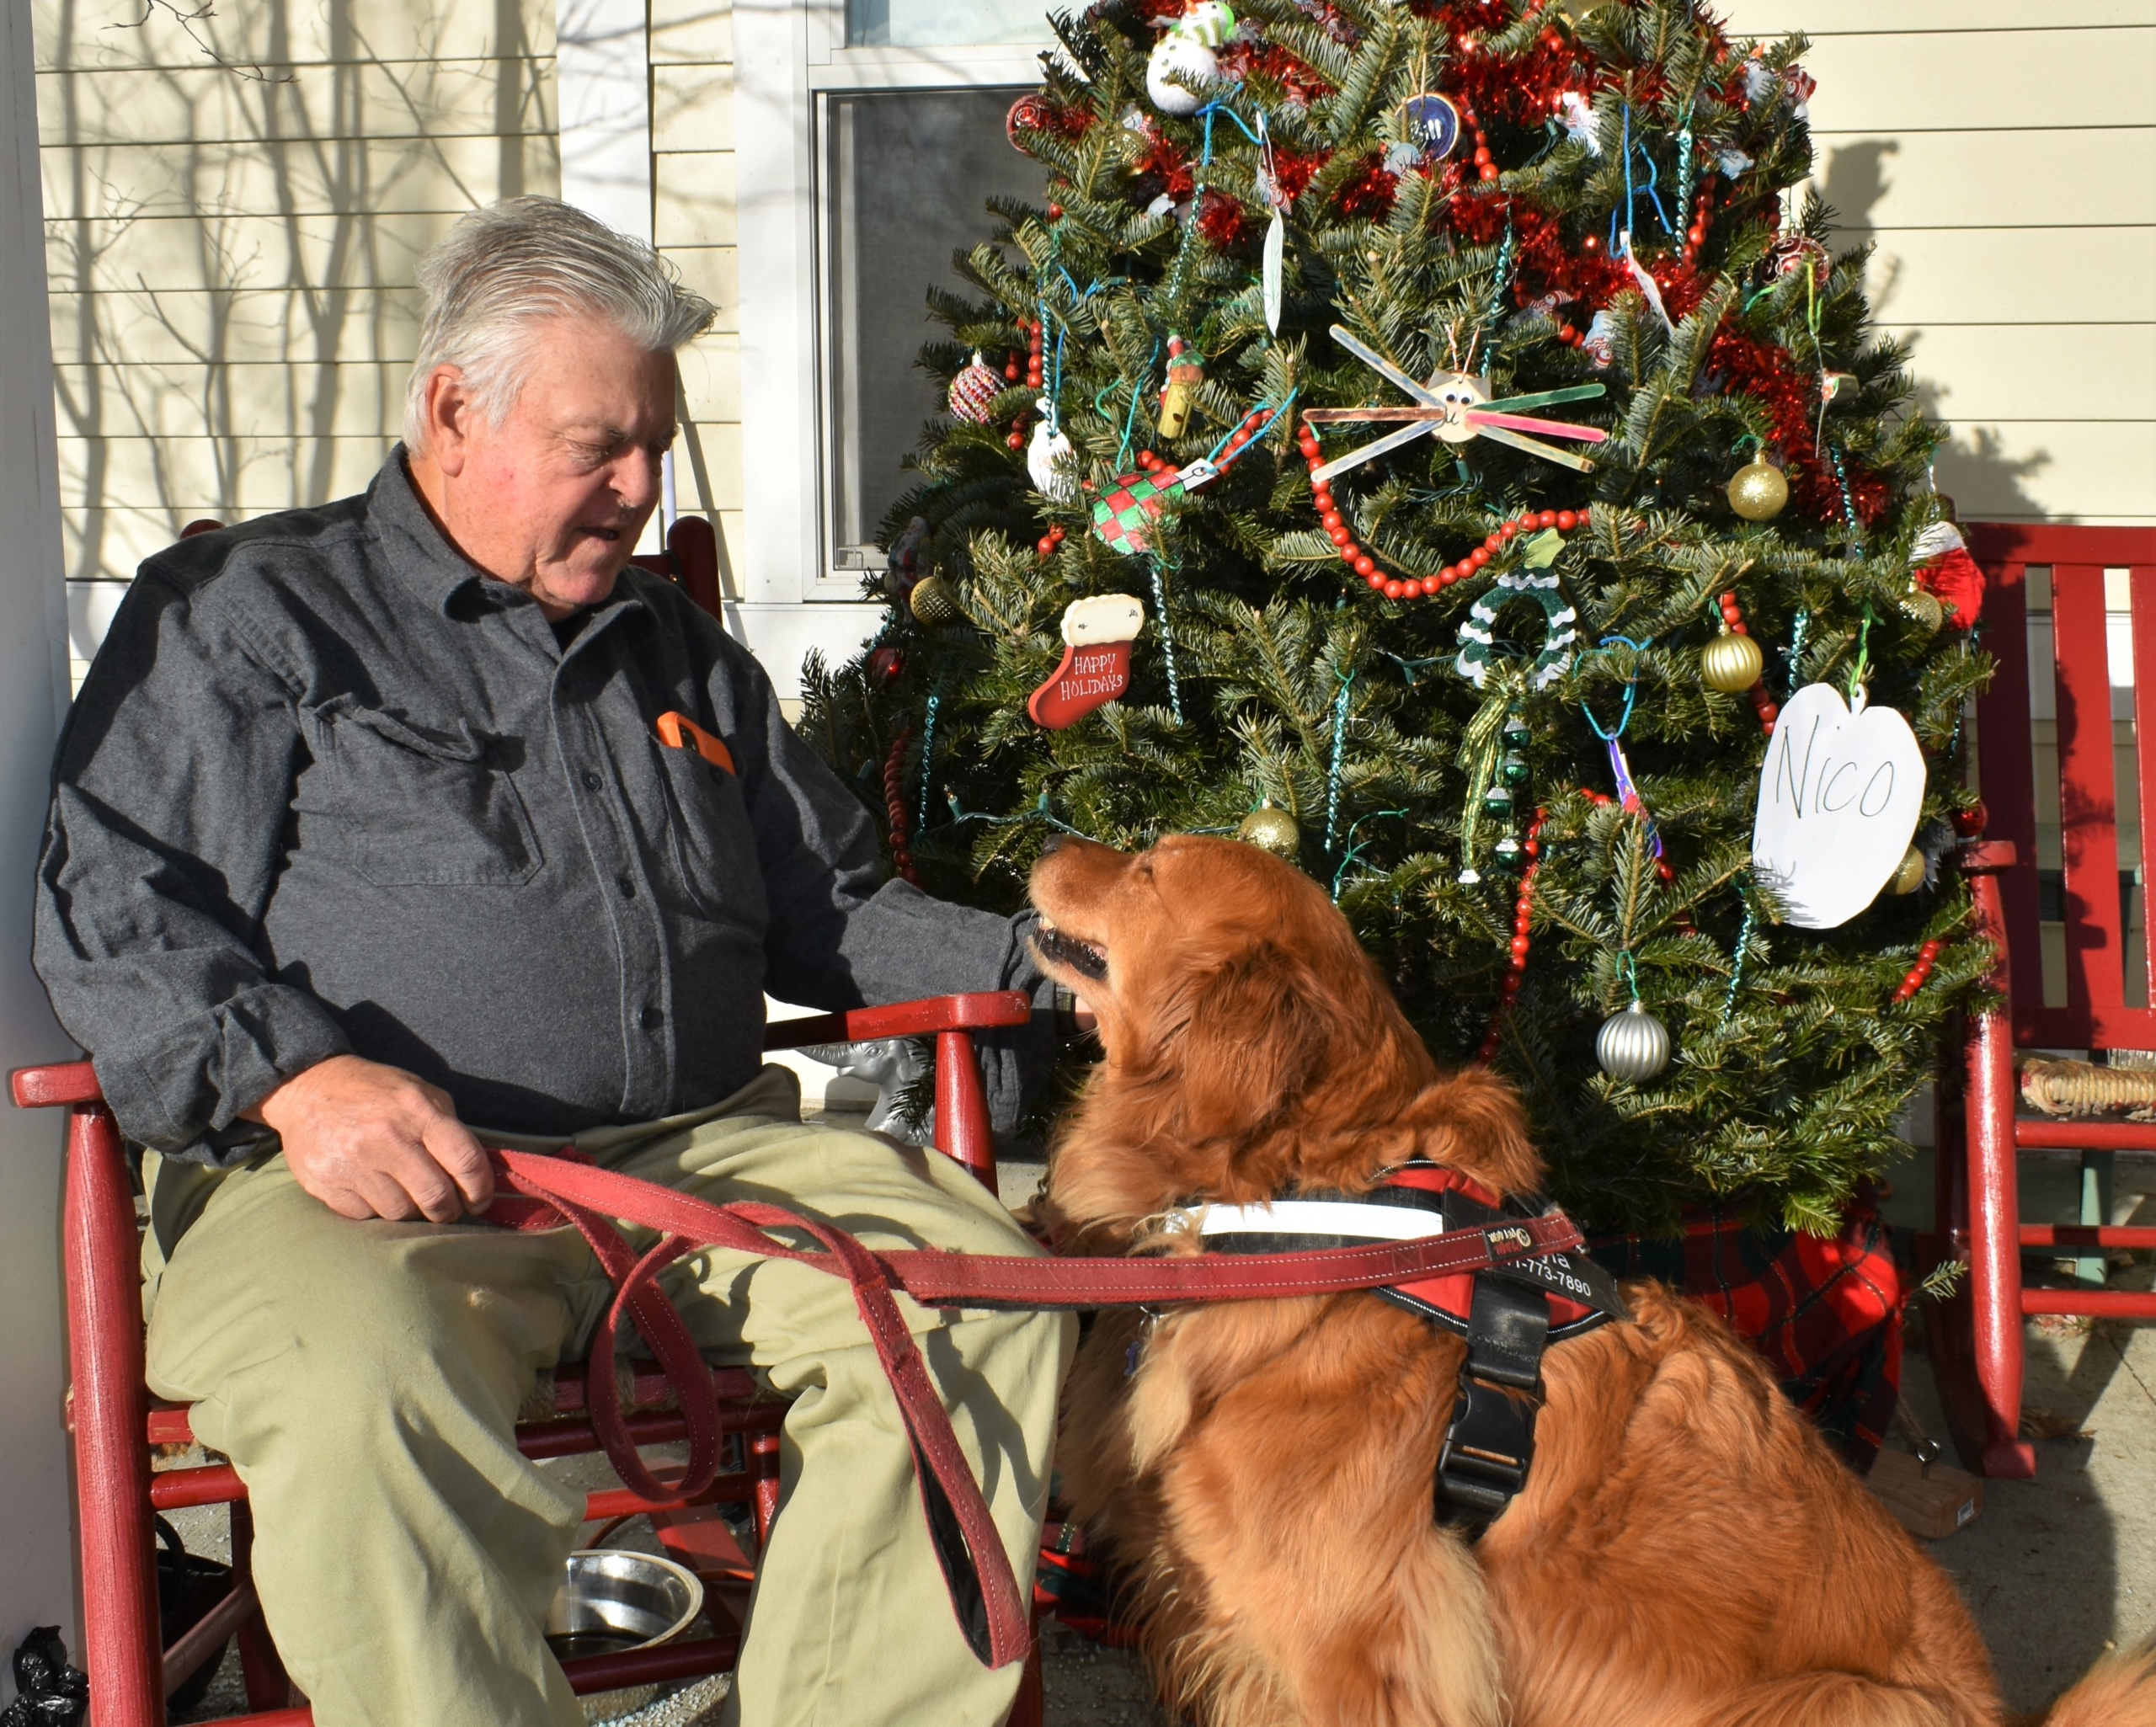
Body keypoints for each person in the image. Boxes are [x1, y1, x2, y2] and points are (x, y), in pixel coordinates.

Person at [33, 196, 1075, 1727]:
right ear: (457, 413)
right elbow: (121, 902)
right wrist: (301, 1081)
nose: (644, 491)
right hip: (350, 1180)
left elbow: (833, 911)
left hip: (707, 1158)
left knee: (981, 1296)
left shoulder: (679, 653)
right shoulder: (253, 618)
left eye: (656, 447)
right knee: (353, 1379)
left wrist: (1053, 965)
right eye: (605, 447)